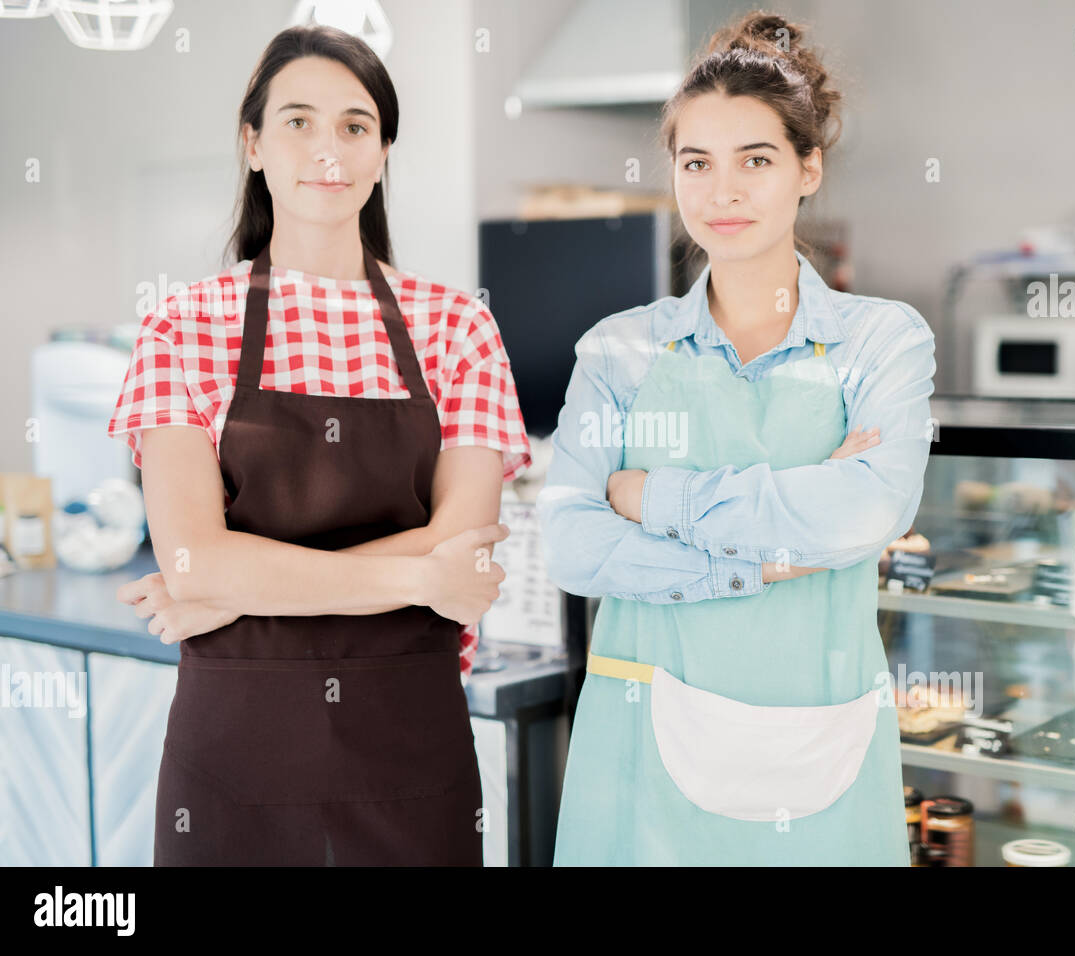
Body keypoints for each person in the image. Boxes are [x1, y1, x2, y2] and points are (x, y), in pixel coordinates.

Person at [106, 26, 531, 865]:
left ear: (381, 153)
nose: (327, 149)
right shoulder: (184, 325)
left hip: (411, 761)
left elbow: (465, 552)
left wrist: (242, 589)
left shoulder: (457, 327)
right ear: (253, 143)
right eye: (297, 121)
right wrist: (416, 576)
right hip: (233, 772)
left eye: (355, 125)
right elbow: (193, 563)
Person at [538, 11, 936, 865]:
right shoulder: (621, 347)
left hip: (818, 746)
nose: (722, 192)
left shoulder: (881, 340)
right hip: (636, 748)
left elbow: (860, 515)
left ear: (807, 168)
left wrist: (654, 497)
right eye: (697, 163)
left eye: (755, 160)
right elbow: (570, 544)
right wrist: (754, 561)